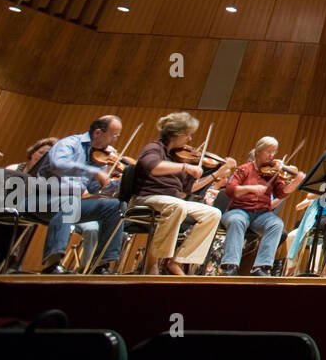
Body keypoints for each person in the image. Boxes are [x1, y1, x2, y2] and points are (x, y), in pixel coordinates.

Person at [133, 112, 223, 275]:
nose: (190, 140)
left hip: (173, 201)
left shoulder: (181, 157)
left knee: (213, 214)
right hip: (149, 197)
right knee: (177, 206)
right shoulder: (154, 148)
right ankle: (152, 262)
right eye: (188, 135)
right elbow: (152, 166)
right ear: (177, 135)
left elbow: (187, 190)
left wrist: (210, 174)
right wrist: (184, 168)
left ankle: (177, 261)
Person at [36, 116, 126, 274]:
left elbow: (93, 189)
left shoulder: (100, 159)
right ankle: (52, 264)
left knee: (115, 206)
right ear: (98, 133)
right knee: (69, 201)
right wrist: (93, 171)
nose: (114, 141)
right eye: (114, 135)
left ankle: (101, 264)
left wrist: (120, 182)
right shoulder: (69, 143)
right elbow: (58, 164)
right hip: (43, 198)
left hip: (72, 203)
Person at [218, 136, 305, 276]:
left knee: (276, 224)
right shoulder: (243, 169)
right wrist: (250, 188)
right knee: (237, 221)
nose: (271, 156)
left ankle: (261, 267)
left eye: (274, 152)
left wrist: (295, 183)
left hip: (261, 214)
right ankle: (230, 266)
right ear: (258, 151)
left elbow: (281, 193)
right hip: (238, 210)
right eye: (268, 151)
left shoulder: (273, 173)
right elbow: (230, 190)